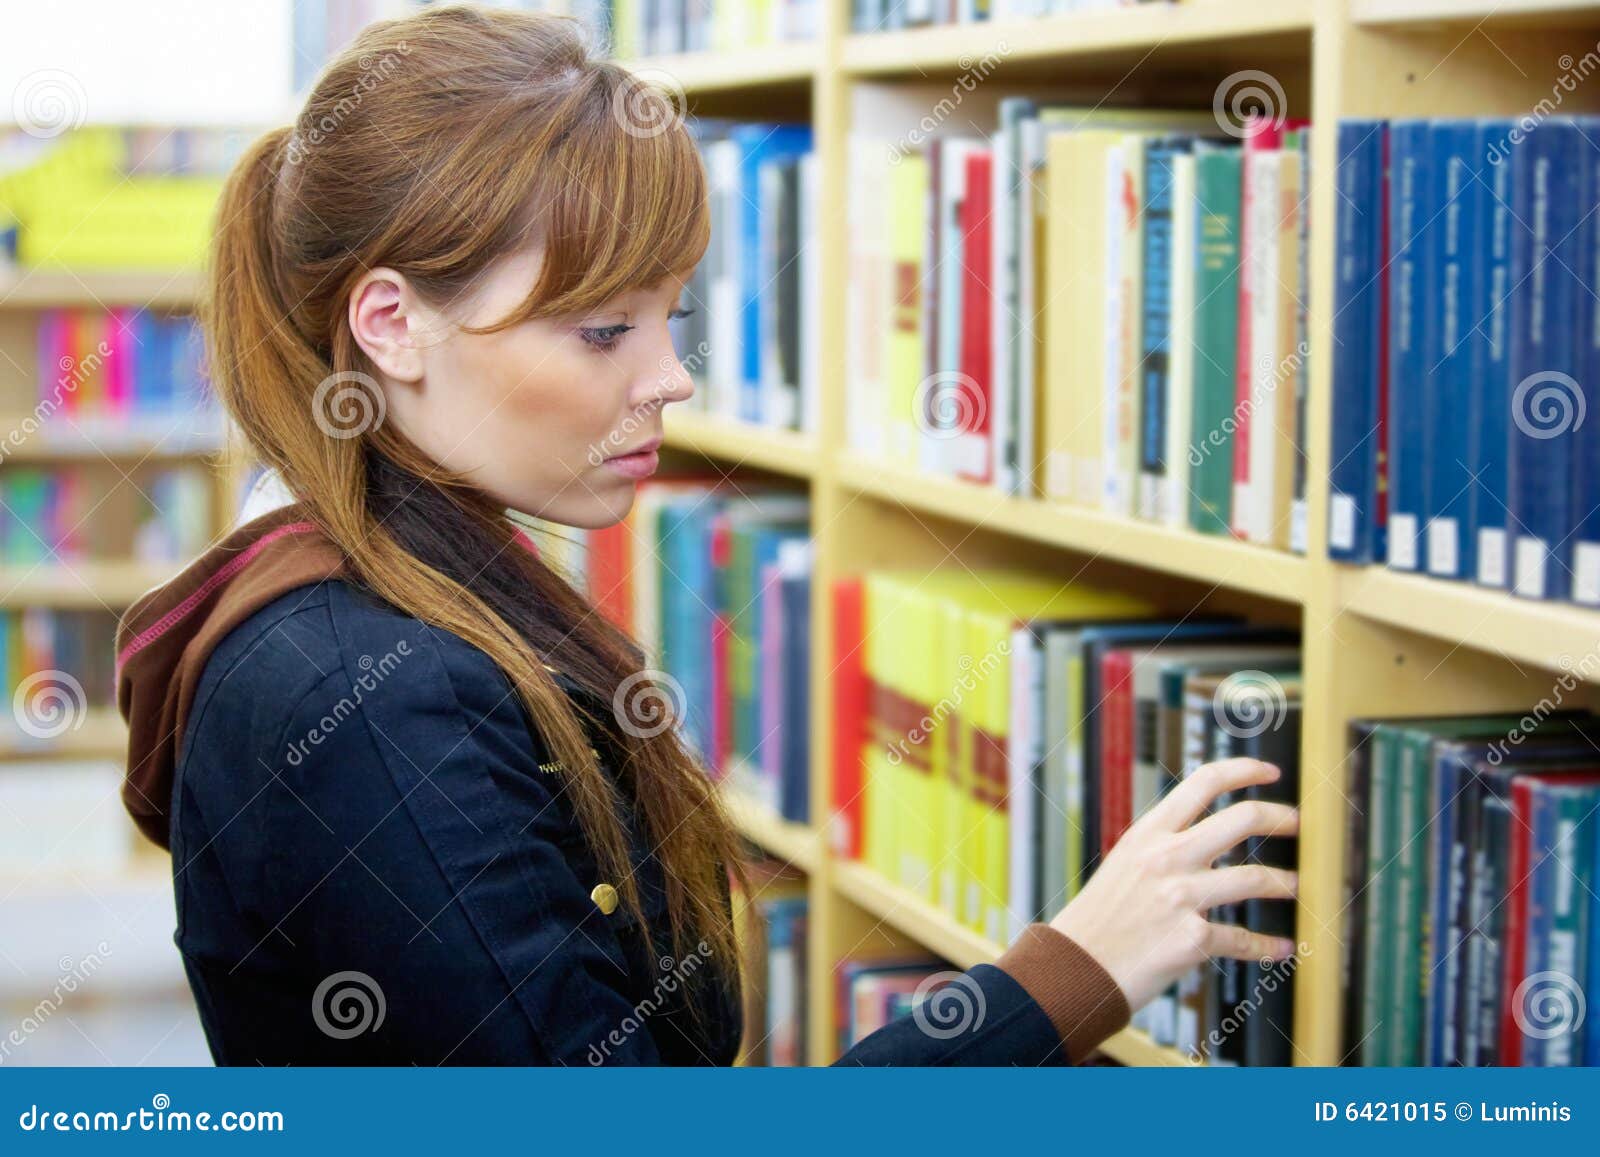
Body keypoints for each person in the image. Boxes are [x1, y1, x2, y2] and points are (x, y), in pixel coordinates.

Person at [115, 4, 1299, 1066]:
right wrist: (1064, 979)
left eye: (669, 317)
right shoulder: (372, 697)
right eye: (600, 332)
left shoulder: (404, 586)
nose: (672, 377)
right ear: (393, 323)